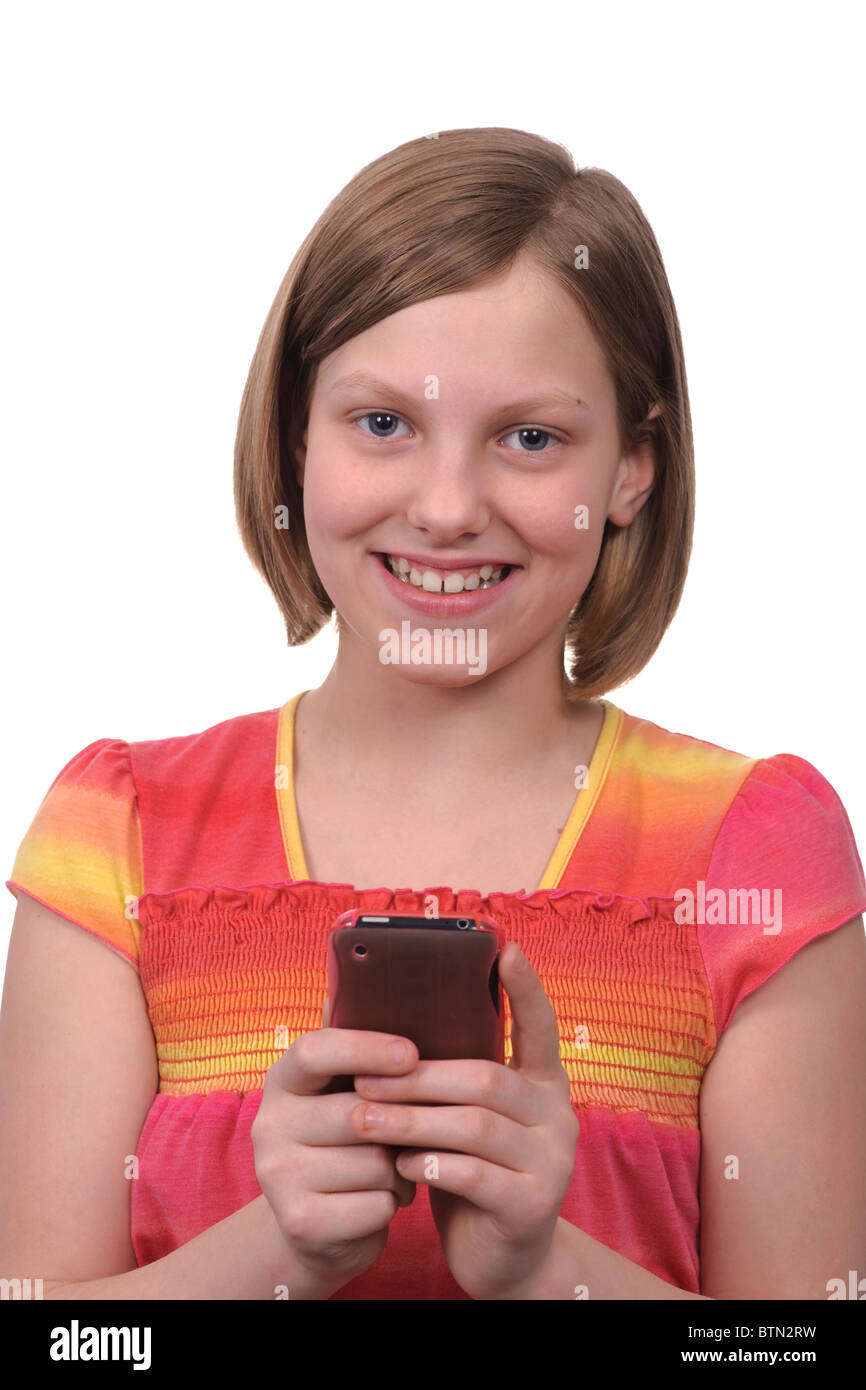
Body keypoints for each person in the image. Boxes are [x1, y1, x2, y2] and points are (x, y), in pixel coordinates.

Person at [2, 127, 865, 1301]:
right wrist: (274, 1251)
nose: (448, 506)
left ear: (631, 469)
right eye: (381, 423)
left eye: (529, 437)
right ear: (292, 437)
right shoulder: (121, 833)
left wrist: (541, 1266)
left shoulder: (752, 846)